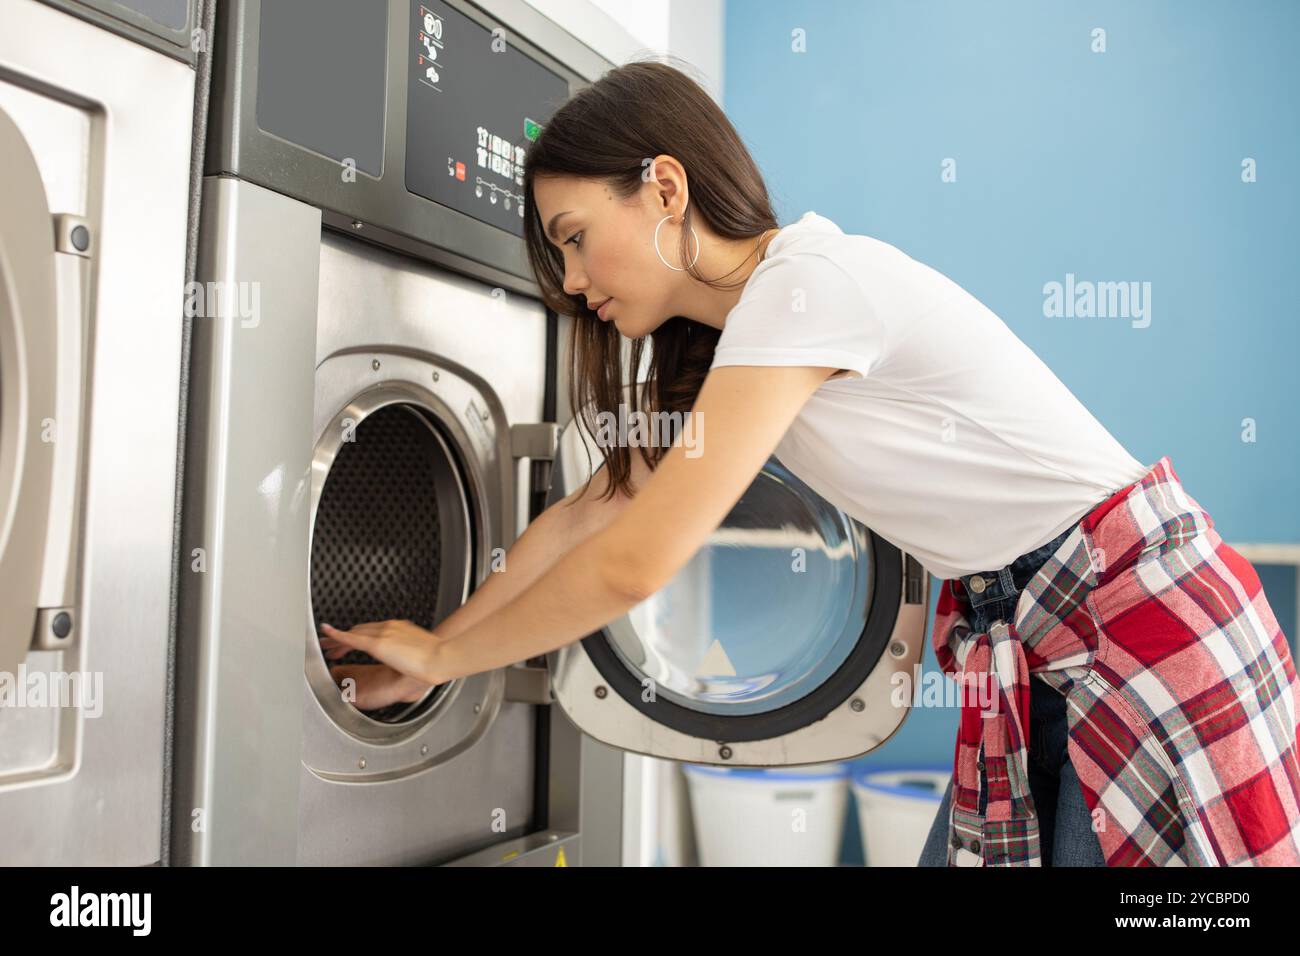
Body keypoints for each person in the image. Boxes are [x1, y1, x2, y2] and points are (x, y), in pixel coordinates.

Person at [319, 57, 1300, 866]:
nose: (571, 282)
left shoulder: (803, 290)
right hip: (1054, 637)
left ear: (664, 187)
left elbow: (631, 564)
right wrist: (431, 648)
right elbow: (588, 518)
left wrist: (450, 657)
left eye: (575, 240)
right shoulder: (740, 343)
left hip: (1142, 626)